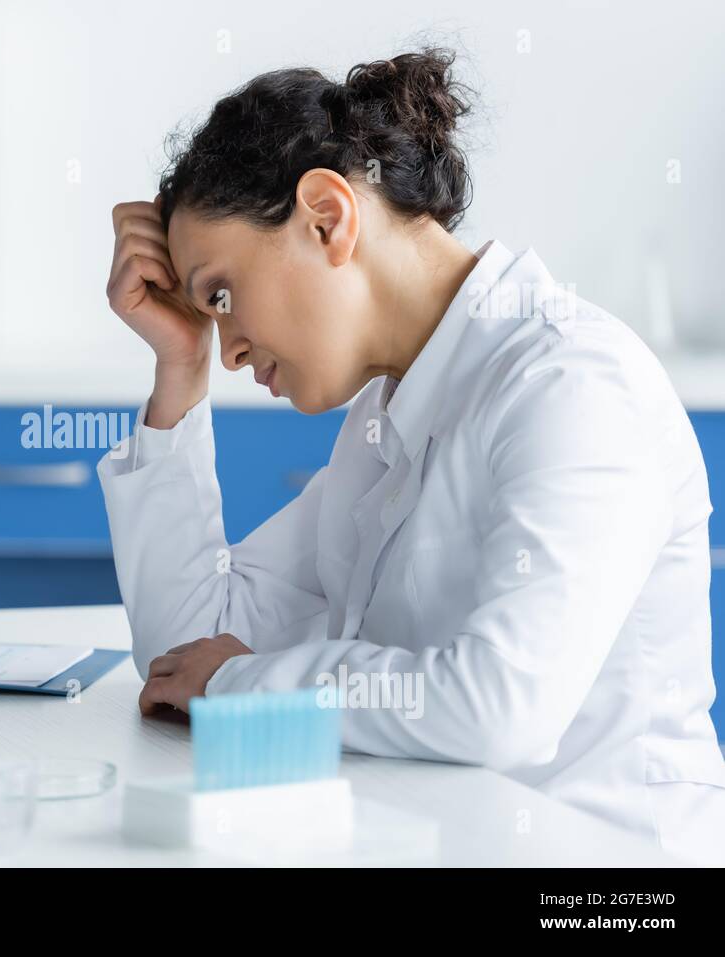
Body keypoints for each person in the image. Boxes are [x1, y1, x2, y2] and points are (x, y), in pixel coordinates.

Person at [99, 49, 725, 864]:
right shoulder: (388, 421)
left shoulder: (571, 384)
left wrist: (243, 684)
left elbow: (499, 704)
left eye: (220, 295)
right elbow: (185, 655)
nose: (232, 348)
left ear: (327, 217)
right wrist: (177, 367)